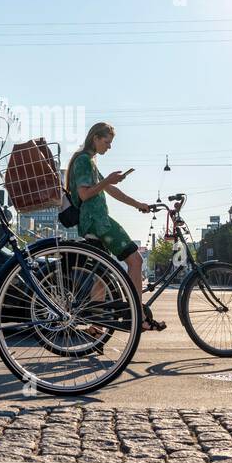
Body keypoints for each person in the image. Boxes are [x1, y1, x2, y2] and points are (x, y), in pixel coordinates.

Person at [65, 122, 160, 329]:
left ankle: (96, 327)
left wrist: (138, 205)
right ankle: (137, 315)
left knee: (101, 276)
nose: (109, 147)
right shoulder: (83, 161)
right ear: (95, 139)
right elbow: (84, 194)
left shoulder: (89, 162)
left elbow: (111, 191)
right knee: (135, 261)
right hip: (98, 221)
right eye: (107, 142)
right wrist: (107, 179)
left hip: (92, 223)